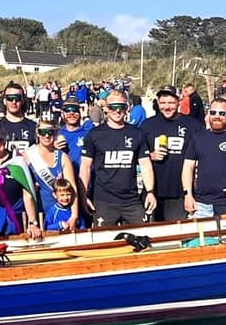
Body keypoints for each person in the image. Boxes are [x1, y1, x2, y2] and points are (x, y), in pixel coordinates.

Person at [79, 91, 155, 227]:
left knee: (143, 238)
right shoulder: (94, 134)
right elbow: (85, 167)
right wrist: (83, 195)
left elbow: (145, 165)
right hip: (104, 201)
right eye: (113, 107)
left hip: (131, 200)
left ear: (127, 108)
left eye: (122, 106)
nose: (117, 110)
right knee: (105, 244)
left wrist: (150, 191)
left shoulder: (137, 133)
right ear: (106, 108)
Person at [0, 126, 42, 242]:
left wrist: (32, 222)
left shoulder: (18, 162)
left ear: (5, 141)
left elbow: (27, 194)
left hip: (16, 219)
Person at [141, 87, 199, 221]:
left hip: (179, 192)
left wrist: (189, 193)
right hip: (153, 191)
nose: (167, 107)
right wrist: (151, 155)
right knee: (154, 234)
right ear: (158, 103)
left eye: (171, 103)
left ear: (178, 102)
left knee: (176, 233)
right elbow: (137, 156)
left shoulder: (193, 125)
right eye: (163, 103)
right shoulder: (147, 125)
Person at [25, 119, 77, 229]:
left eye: (50, 132)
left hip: (62, 214)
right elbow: (26, 192)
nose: (47, 136)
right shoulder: (28, 156)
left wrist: (74, 215)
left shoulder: (63, 157)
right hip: (39, 214)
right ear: (37, 134)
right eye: (42, 132)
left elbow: (72, 188)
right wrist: (32, 221)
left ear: (56, 134)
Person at [0, 82, 38, 154]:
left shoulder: (34, 127)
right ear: (4, 101)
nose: (14, 102)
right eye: (10, 98)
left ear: (23, 100)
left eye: (17, 98)